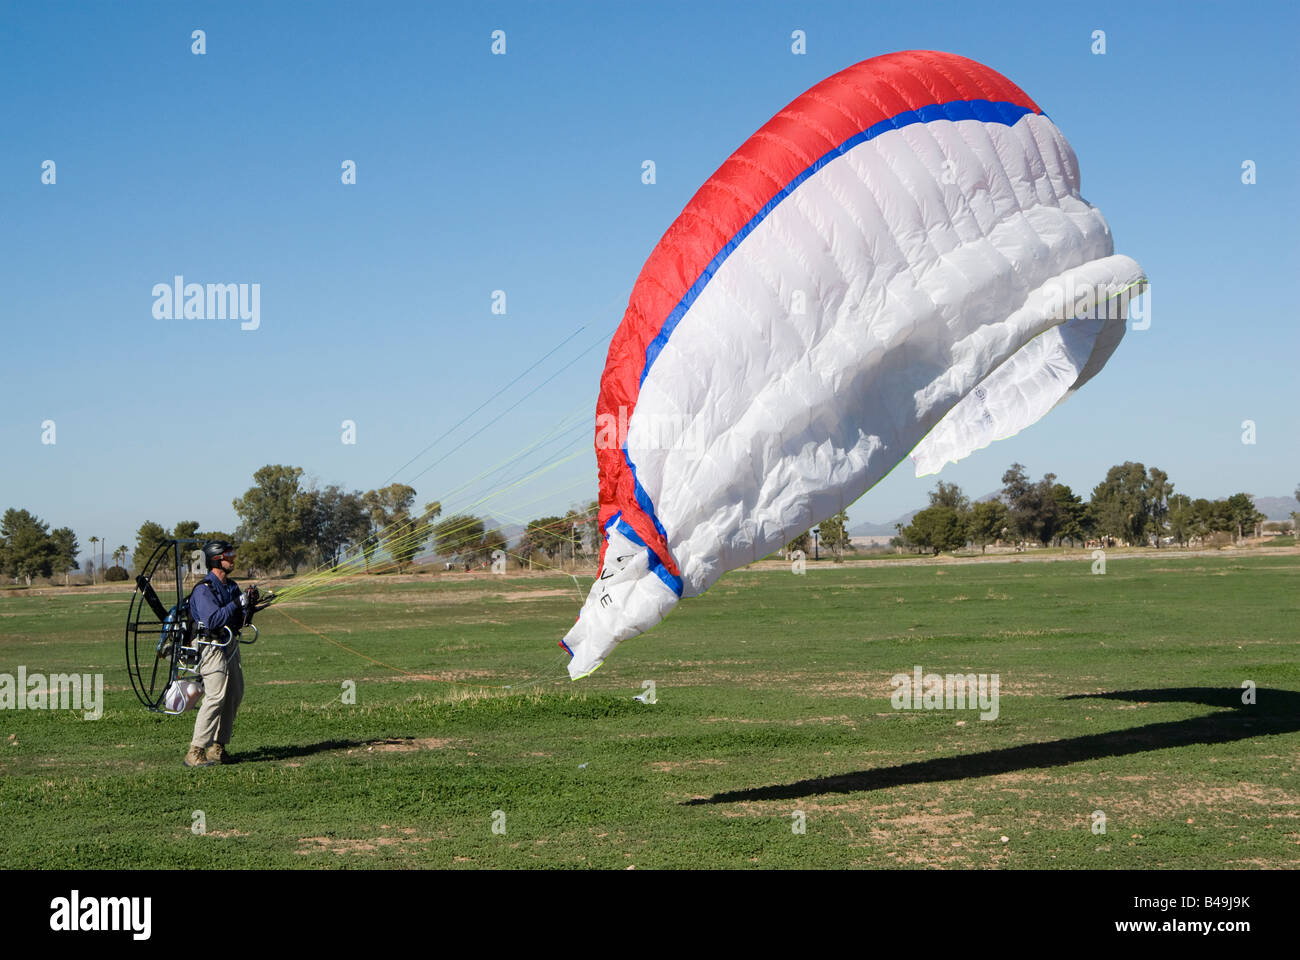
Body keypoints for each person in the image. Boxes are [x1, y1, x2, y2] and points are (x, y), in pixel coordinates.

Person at [182, 540, 259, 768]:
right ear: (216, 560)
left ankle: (218, 748)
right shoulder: (203, 590)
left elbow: (238, 618)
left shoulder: (231, 586)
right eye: (228, 556)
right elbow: (213, 619)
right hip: (210, 646)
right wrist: (237, 602)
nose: (233, 559)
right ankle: (195, 751)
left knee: (234, 694)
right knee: (215, 696)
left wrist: (249, 606)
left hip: (229, 644)